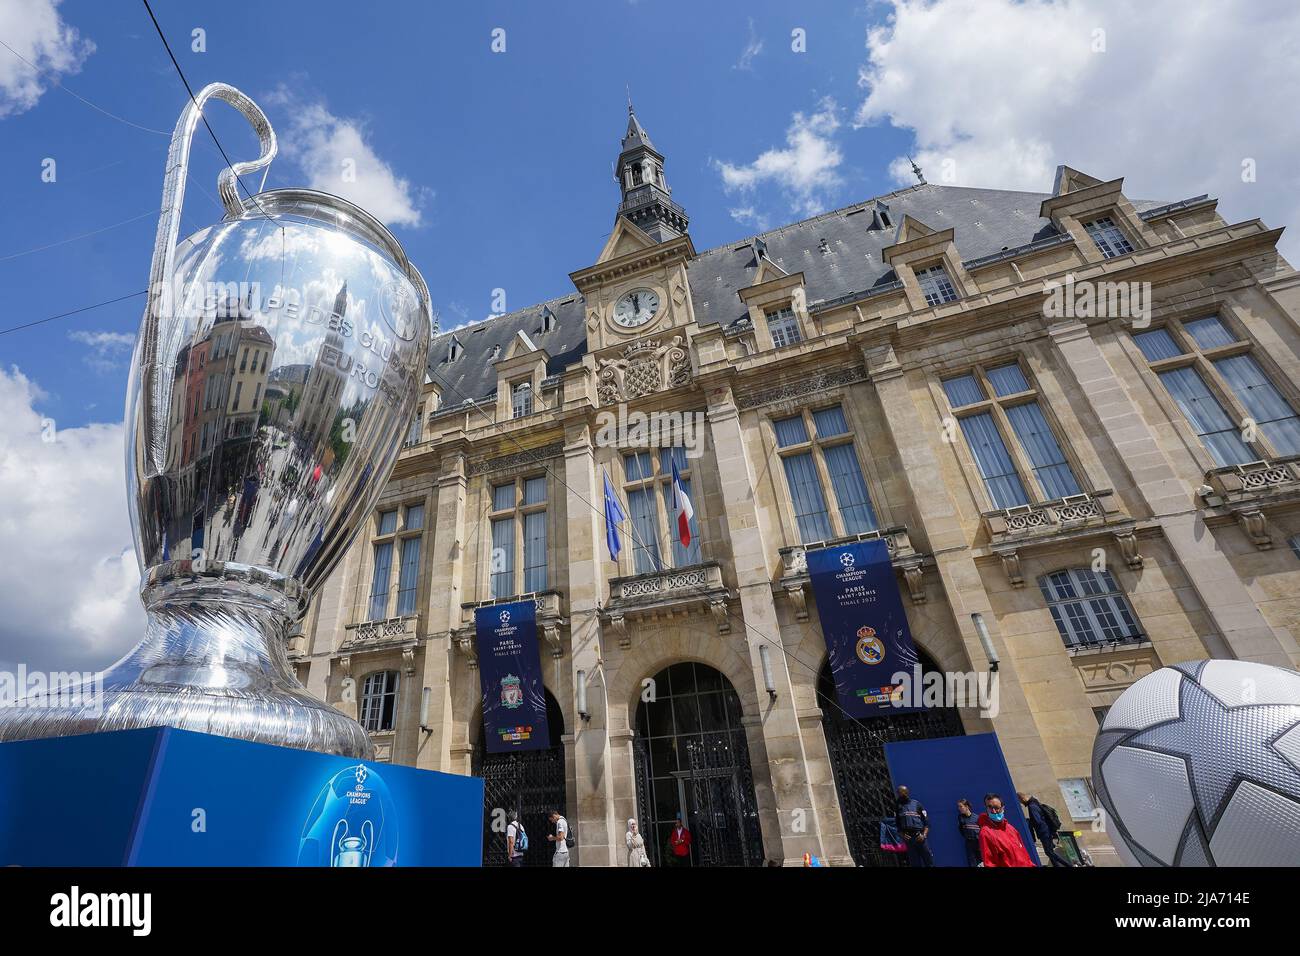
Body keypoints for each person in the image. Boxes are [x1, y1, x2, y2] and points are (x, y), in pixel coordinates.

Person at [978, 793, 1035, 867]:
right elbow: (990, 864)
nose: (994, 811)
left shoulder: (1011, 828)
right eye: (990, 807)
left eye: (996, 807)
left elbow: (1024, 853)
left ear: (1003, 808)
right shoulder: (986, 832)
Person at [1018, 792, 1072, 867]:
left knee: (1048, 852)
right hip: (1047, 830)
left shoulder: (1031, 806)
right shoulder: (1035, 803)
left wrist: (1029, 821)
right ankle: (1056, 865)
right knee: (1050, 851)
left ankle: (1068, 865)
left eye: (1020, 801)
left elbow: (1038, 820)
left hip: (1044, 832)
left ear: (1022, 799)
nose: (1021, 803)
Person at [894, 785, 933, 867]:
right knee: (915, 864)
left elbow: (927, 823)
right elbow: (897, 825)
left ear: (907, 792)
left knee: (929, 862)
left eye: (903, 792)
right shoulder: (898, 807)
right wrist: (902, 835)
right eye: (899, 792)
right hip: (909, 840)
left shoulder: (917, 804)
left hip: (920, 838)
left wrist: (924, 835)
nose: (901, 794)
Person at [957, 798, 982, 867]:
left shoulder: (977, 817)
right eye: (958, 807)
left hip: (979, 843)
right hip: (969, 844)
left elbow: (982, 830)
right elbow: (961, 830)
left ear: (967, 806)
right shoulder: (960, 818)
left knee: (982, 862)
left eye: (961, 806)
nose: (959, 808)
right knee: (972, 863)